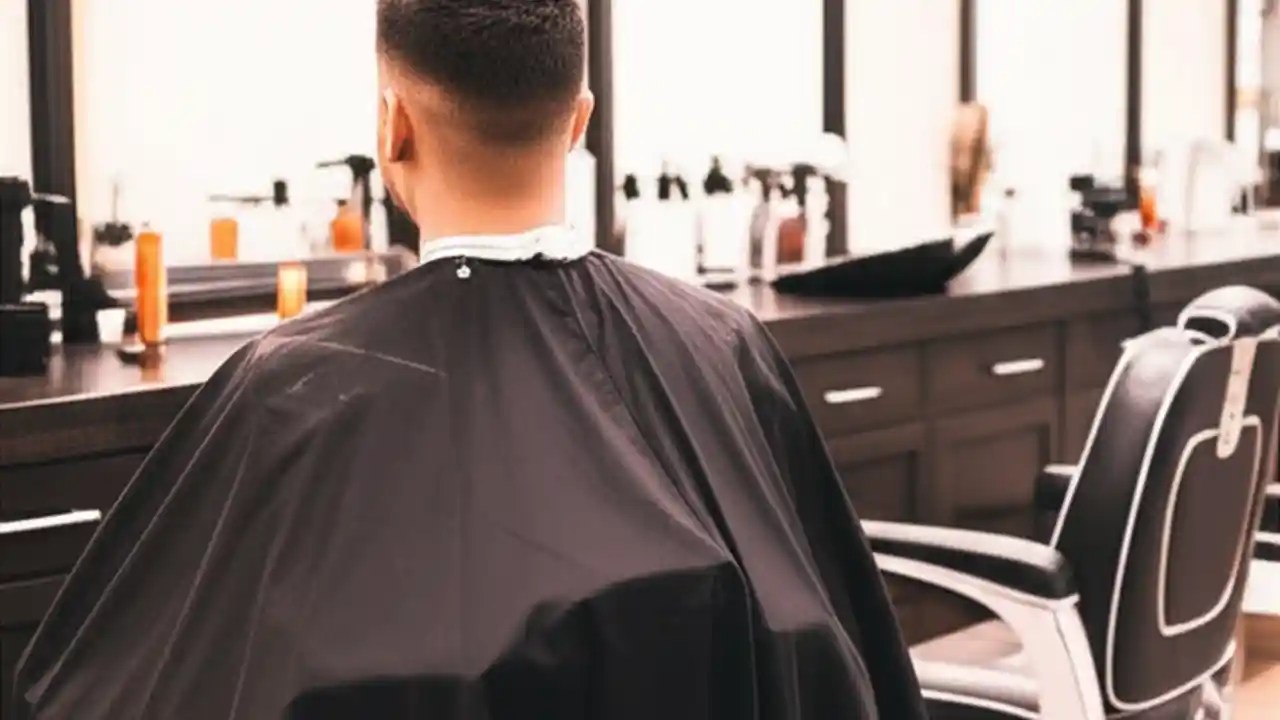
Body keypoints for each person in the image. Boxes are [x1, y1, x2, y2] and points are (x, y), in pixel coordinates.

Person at [14, 1, 925, 718]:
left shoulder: (284, 387)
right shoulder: (727, 342)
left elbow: (115, 685)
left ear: (392, 129)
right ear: (578, 122)